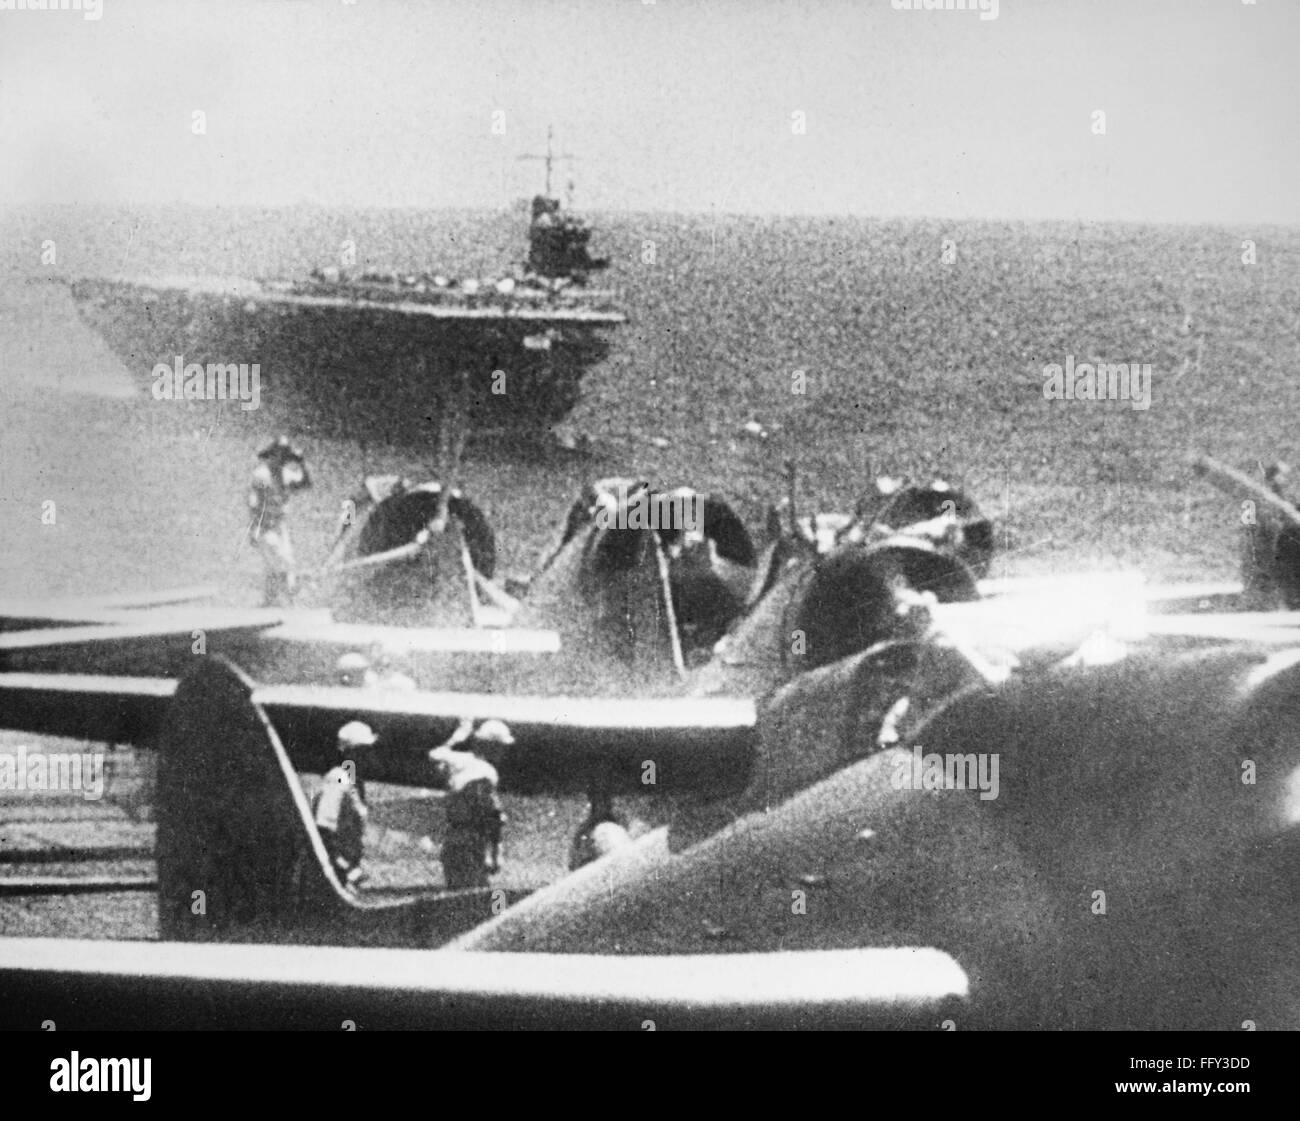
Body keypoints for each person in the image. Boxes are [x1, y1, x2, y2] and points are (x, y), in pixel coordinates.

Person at [428, 719, 509, 889]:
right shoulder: (486, 773)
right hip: (472, 844)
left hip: (452, 840)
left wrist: (458, 736)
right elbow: (492, 816)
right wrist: (495, 853)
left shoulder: (460, 762)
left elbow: (435, 754)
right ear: (492, 746)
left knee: (457, 894)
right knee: (479, 895)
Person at [248, 436, 311, 607]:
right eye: (278, 454)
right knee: (283, 561)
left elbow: (305, 484)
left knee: (276, 565)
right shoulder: (261, 475)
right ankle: (286, 602)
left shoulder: (286, 473)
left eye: (284, 454)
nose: (280, 457)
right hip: (265, 525)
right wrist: (254, 527)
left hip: (280, 525)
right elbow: (253, 503)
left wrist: (302, 462)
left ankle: (271, 602)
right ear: (271, 454)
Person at [314, 721, 375, 891]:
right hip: (336, 873)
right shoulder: (338, 778)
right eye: (362, 752)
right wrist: (342, 866)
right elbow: (324, 826)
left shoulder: (354, 781)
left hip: (348, 871)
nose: (367, 757)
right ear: (349, 752)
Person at [569, 790, 631, 871]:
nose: (602, 804)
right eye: (598, 801)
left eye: (604, 801)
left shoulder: (617, 825)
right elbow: (576, 862)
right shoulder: (585, 830)